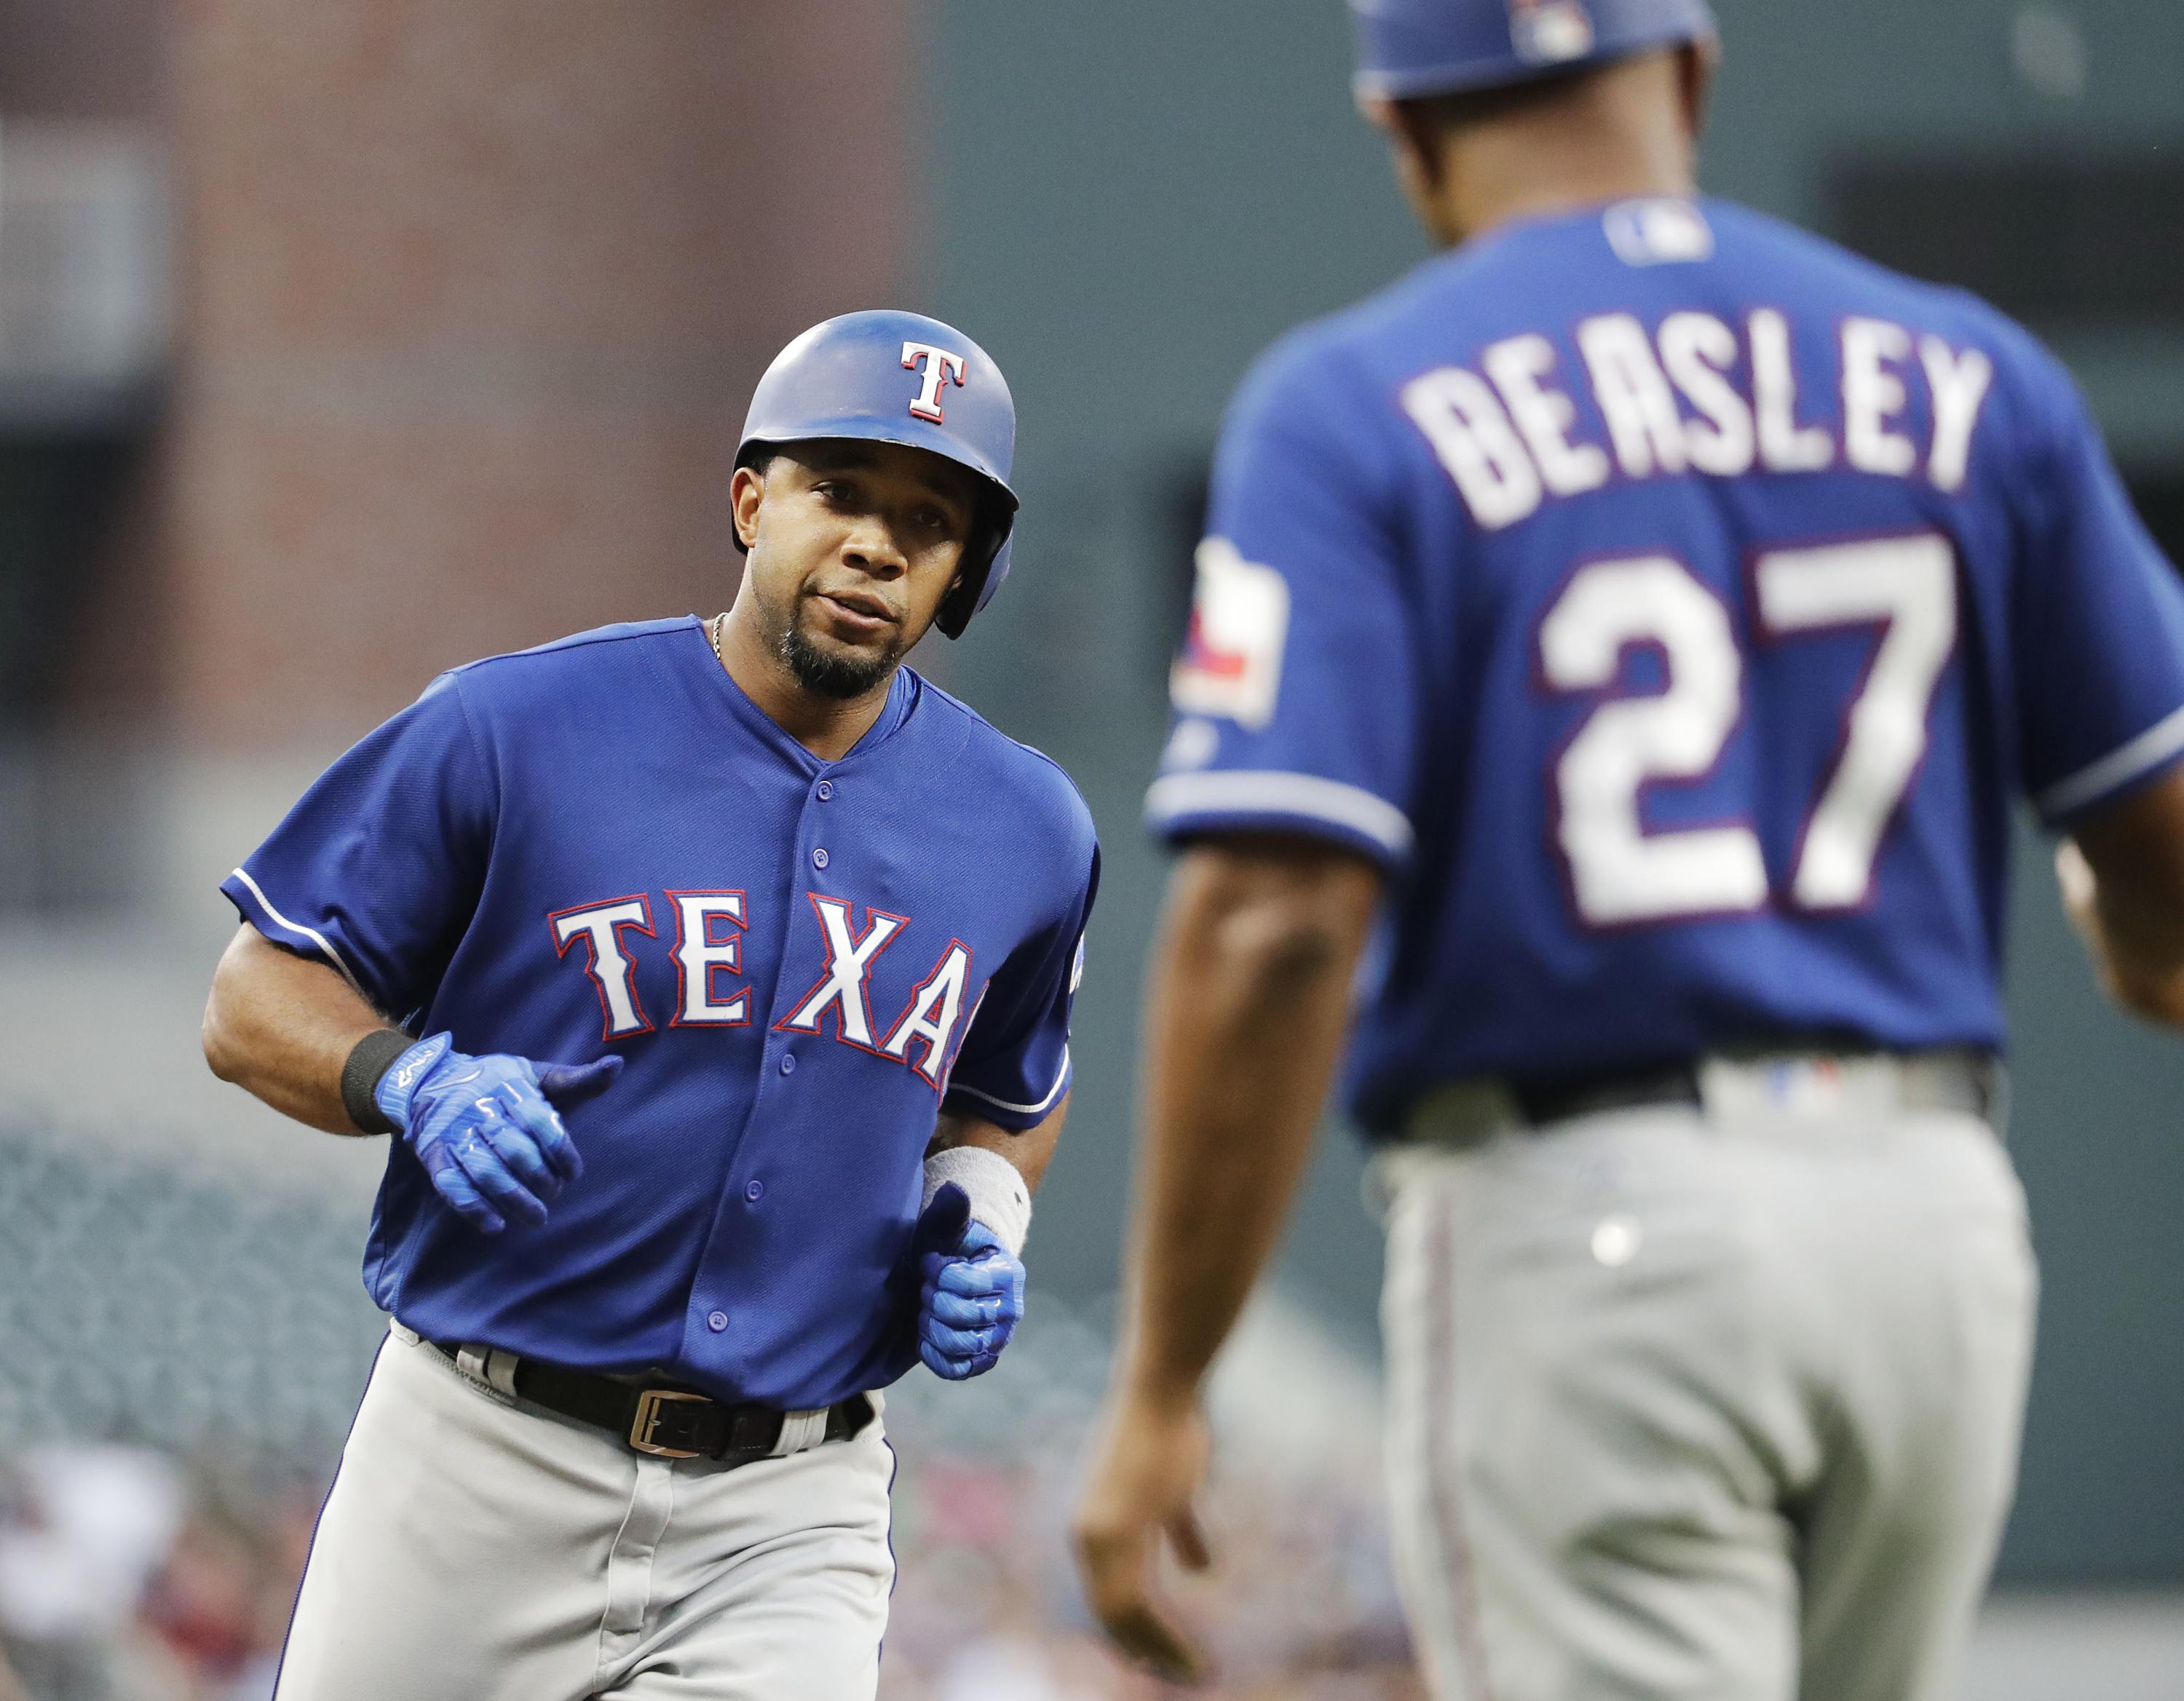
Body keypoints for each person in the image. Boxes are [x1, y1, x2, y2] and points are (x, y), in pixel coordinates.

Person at [1072, 4, 2184, 1697]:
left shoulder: (1359, 398)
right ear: (1689, 69)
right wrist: (2136, 932)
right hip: (1931, 1226)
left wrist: (1164, 1380)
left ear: (1406, 131)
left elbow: (1277, 913)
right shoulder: (1969, 371)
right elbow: (2161, 848)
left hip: (1596, 1228)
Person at [199, 309, 1099, 1701]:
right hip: (477, 1456)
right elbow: (255, 995)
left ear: (965, 569)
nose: (876, 544)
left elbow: (1004, 1100)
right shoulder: (517, 727)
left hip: (787, 1507)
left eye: (928, 520)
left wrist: (986, 1205)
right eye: (840, 492)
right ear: (751, 500)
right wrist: (408, 1075)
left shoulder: (1028, 824)